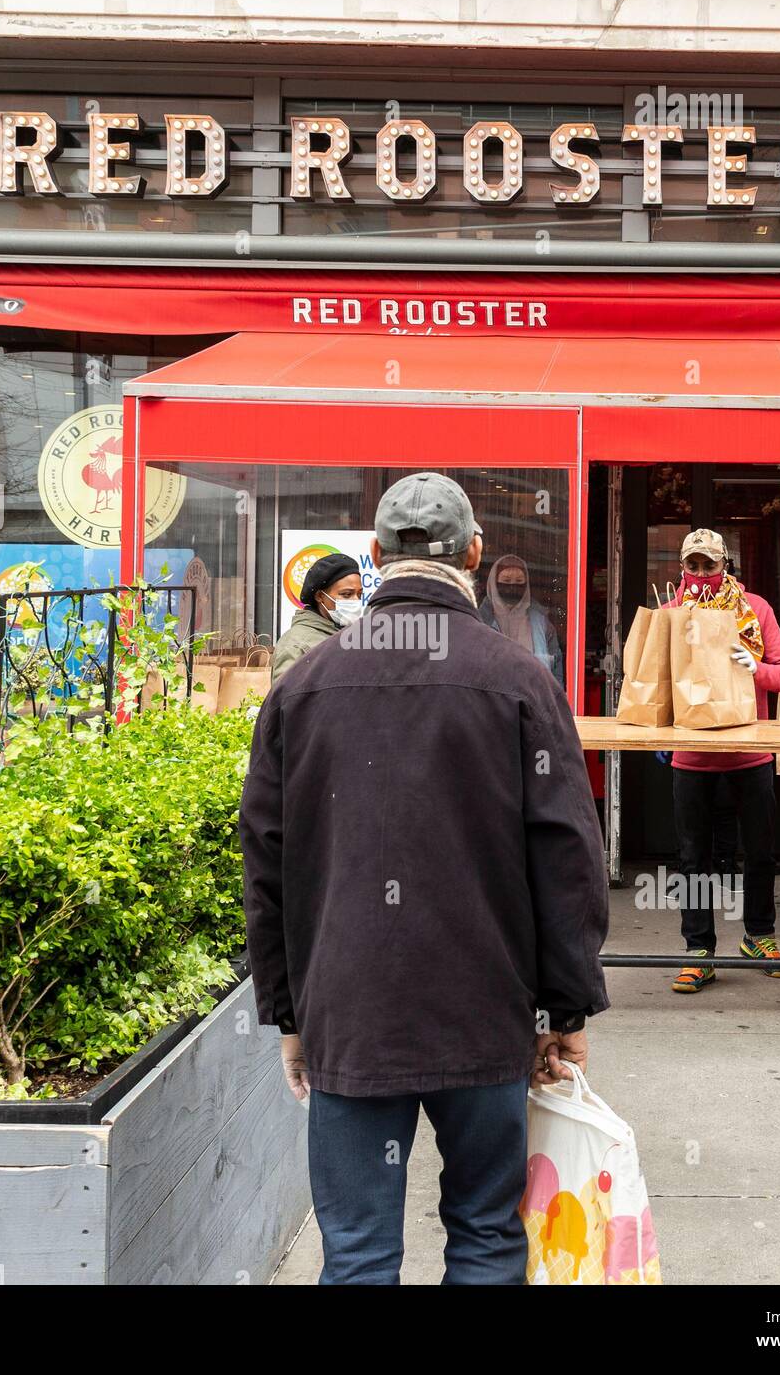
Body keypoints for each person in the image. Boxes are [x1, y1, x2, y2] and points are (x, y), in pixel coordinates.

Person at [239, 471, 609, 1285]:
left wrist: (289, 1013)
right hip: (484, 1012)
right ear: (476, 554)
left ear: (374, 558)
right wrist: (568, 1006)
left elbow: (266, 863)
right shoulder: (520, 682)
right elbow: (569, 855)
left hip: (351, 1013)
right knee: (485, 1234)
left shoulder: (302, 688)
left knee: (360, 1252)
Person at [663, 529, 780, 993]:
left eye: (710, 566)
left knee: (759, 852)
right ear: (683, 567)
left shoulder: (755, 610)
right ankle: (699, 950)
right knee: (692, 858)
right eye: (693, 566)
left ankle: (758, 936)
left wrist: (754, 667)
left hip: (749, 753)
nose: (702, 575)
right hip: (692, 758)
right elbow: (654, 681)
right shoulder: (670, 614)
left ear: (726, 567)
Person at [270, 552, 363, 684]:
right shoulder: (296, 645)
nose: (356, 601)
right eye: (346, 594)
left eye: (359, 594)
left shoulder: (350, 636)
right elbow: (286, 701)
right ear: (319, 596)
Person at [478, 554, 565, 684]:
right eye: (506, 581)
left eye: (519, 581)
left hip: (534, 698)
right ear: (494, 584)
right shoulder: (480, 621)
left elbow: (555, 666)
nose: (512, 587)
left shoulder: (540, 623)